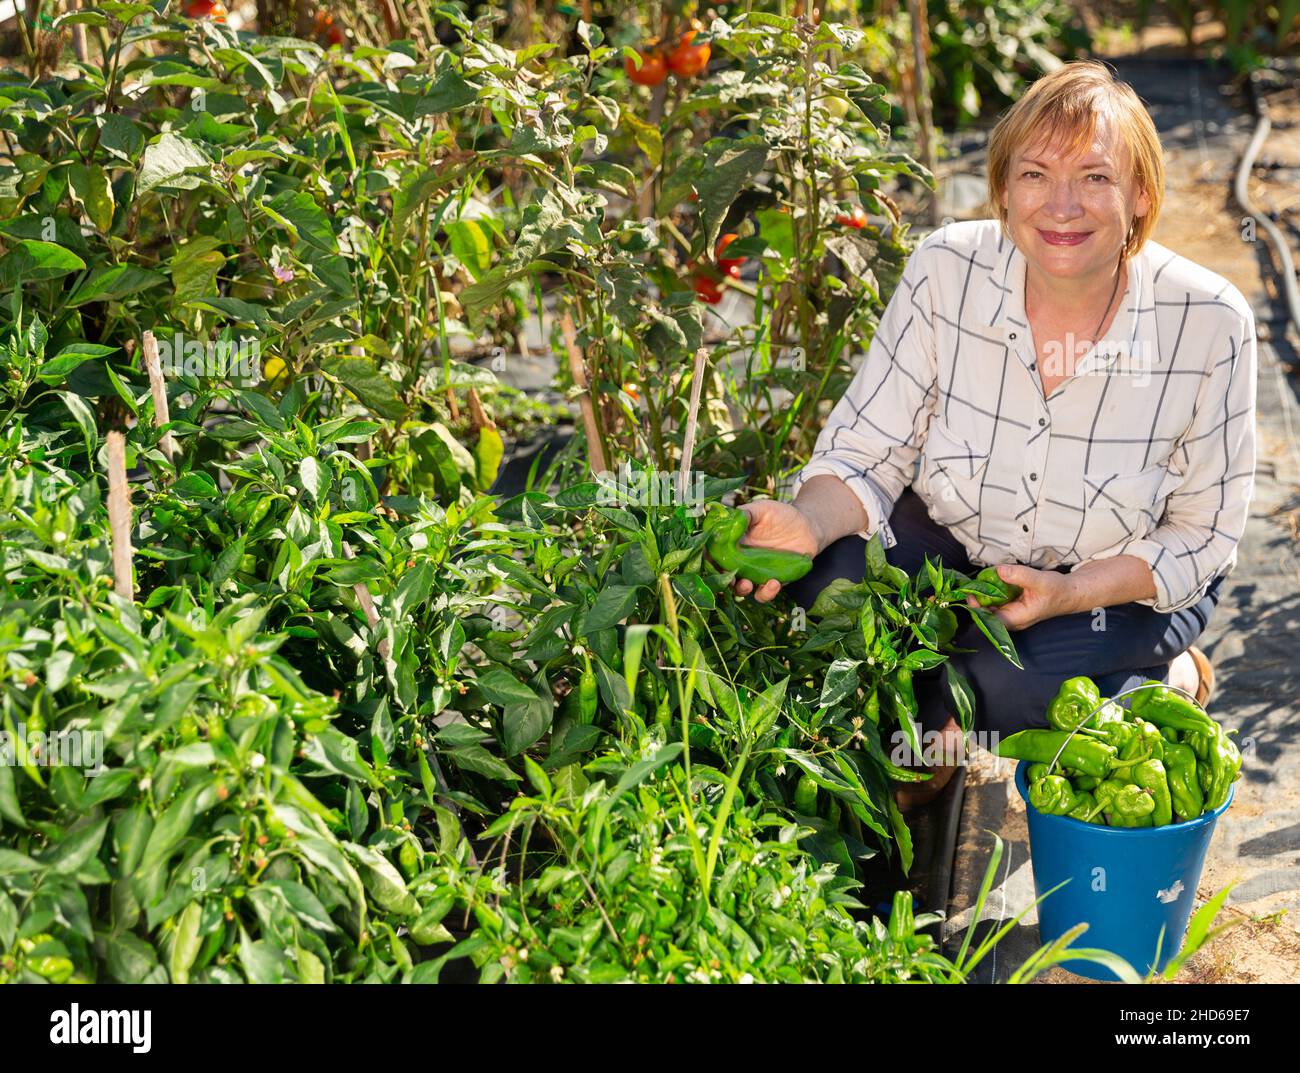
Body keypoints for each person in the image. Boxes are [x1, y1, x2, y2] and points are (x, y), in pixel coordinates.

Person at [731, 61, 1257, 807]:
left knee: (1014, 682)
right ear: (1003, 189)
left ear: (1141, 194)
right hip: (960, 538)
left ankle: (1168, 675)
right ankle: (935, 726)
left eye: (1096, 178)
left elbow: (1204, 532)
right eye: (1035, 174)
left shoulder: (1208, 322)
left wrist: (1073, 592)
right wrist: (808, 521)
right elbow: (868, 446)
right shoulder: (948, 268)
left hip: (1117, 579)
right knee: (829, 585)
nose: (1063, 205)